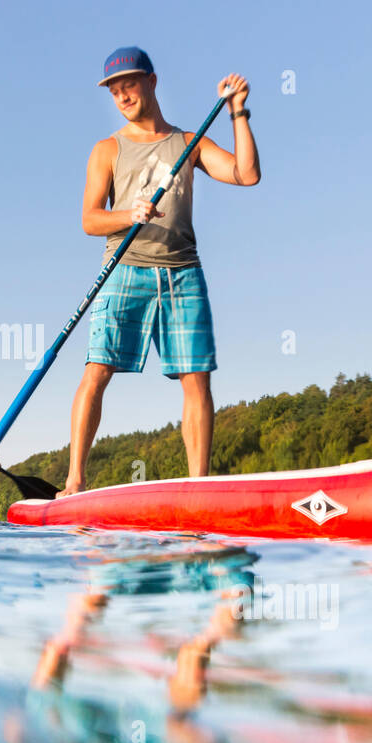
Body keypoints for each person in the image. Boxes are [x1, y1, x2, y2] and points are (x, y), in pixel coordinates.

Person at [62, 47, 259, 496]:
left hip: (183, 271)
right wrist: (130, 214)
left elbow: (246, 174)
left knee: (197, 378)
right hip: (125, 269)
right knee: (97, 371)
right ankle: (74, 481)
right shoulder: (107, 149)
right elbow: (90, 220)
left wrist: (239, 112)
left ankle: (199, 489)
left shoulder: (189, 143)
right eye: (114, 89)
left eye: (129, 84)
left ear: (152, 81)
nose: (122, 95)